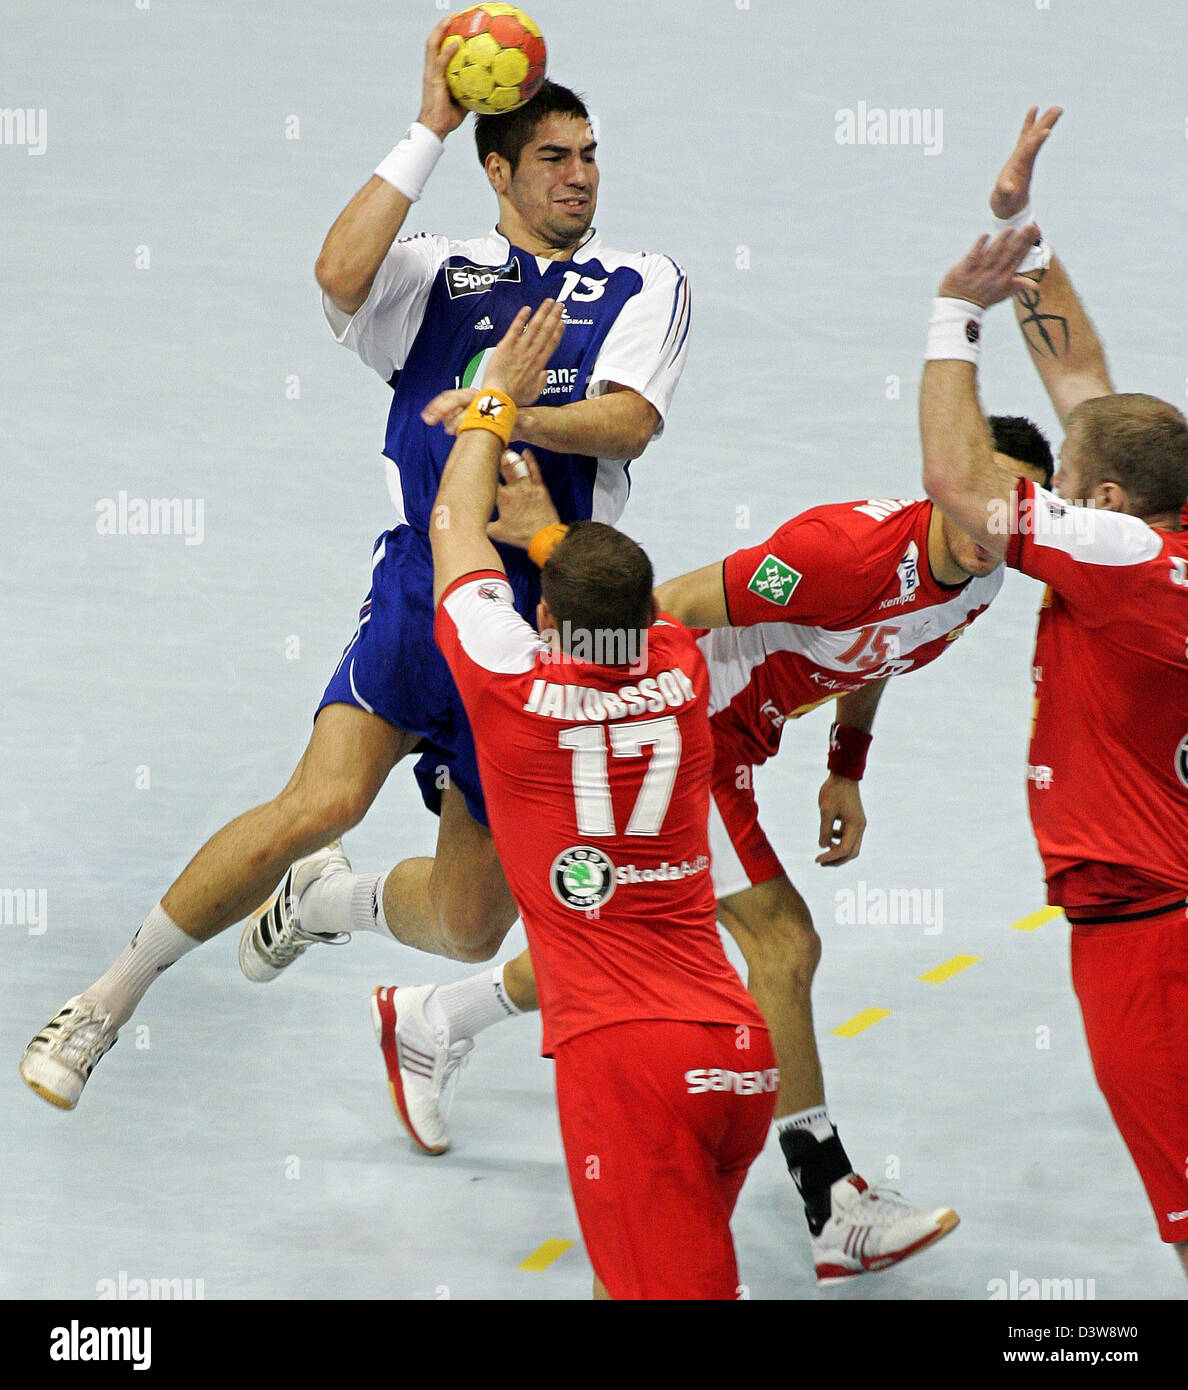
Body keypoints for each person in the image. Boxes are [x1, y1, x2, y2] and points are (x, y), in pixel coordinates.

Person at [19, 21, 691, 1110]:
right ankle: (106, 997)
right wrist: (430, 122)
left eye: (590, 153)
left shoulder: (637, 280)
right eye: (555, 158)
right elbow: (336, 272)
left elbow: (630, 423)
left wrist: (507, 411)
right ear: (500, 171)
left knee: (475, 922)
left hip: (540, 621)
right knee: (317, 800)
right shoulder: (436, 274)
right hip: (426, 586)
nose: (581, 176)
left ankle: (327, 907)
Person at [291, 415, 1052, 1281]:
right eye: (981, 493)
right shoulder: (838, 552)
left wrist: (847, 762)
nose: (994, 519)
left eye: (1016, 503)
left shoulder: (980, 580)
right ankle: (831, 1201)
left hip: (742, 735)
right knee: (783, 942)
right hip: (693, 729)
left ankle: (433, 1018)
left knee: (628, 937)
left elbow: (882, 645)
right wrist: (556, 580)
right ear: (944, 478)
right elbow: (667, 612)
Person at [428, 297, 777, 1299]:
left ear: (546, 615)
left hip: (628, 1069)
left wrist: (492, 399)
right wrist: (549, 536)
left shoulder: (514, 692)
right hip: (736, 1052)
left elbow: (451, 528)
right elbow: (607, 605)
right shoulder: (679, 665)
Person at [918, 109, 1188, 1278]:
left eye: (1069, 490)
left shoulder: (1119, 562)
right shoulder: (1154, 539)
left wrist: (952, 311)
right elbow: (1085, 390)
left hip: (1147, 933)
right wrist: (1017, 235)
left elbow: (960, 481)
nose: (1053, 496)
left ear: (1113, 503)